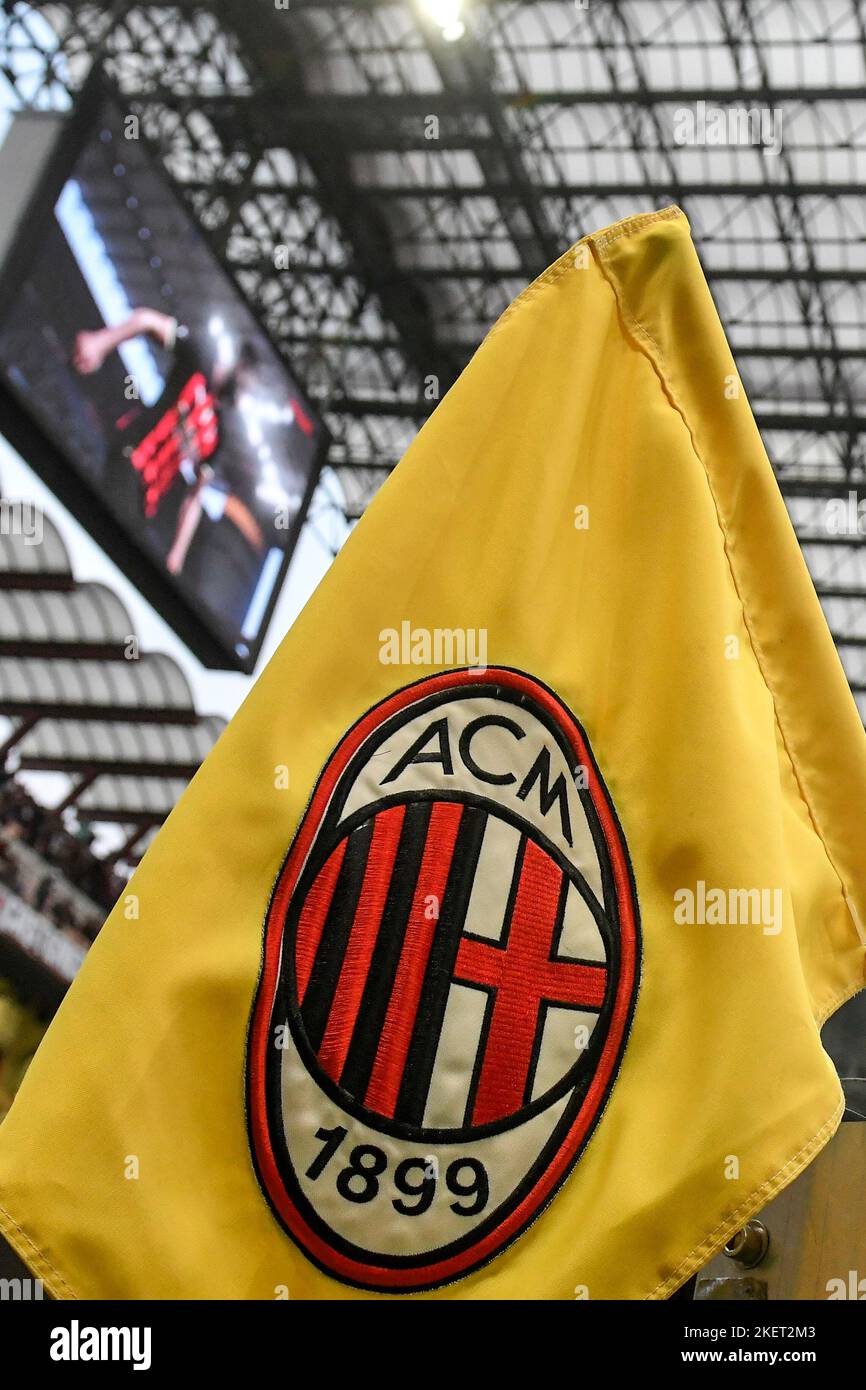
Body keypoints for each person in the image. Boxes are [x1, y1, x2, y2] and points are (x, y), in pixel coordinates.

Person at [73, 308, 268, 576]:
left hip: (144, 502)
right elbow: (147, 321)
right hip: (131, 459)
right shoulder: (198, 359)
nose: (245, 393)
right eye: (247, 383)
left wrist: (177, 553)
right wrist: (101, 342)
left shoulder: (218, 435)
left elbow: (194, 498)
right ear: (240, 365)